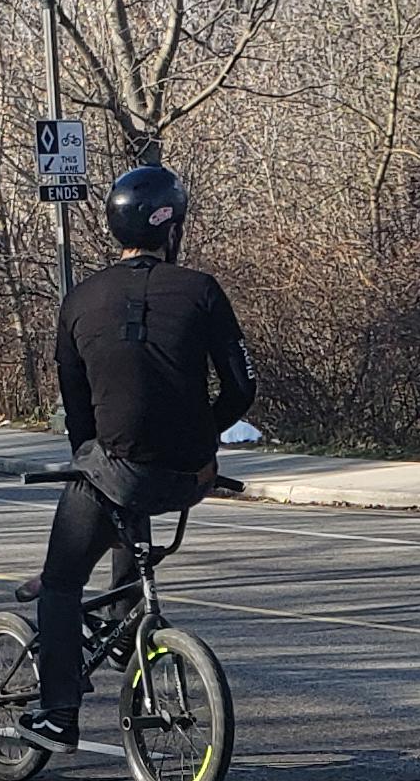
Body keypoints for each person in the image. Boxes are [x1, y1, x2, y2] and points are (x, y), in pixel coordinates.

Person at [25, 158, 255, 751]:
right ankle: (127, 629)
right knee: (133, 508)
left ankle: (58, 715)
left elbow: (77, 411)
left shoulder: (79, 300)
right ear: (171, 225)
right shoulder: (202, 290)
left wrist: (94, 453)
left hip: (111, 472)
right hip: (184, 477)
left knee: (60, 583)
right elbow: (241, 388)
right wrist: (200, 441)